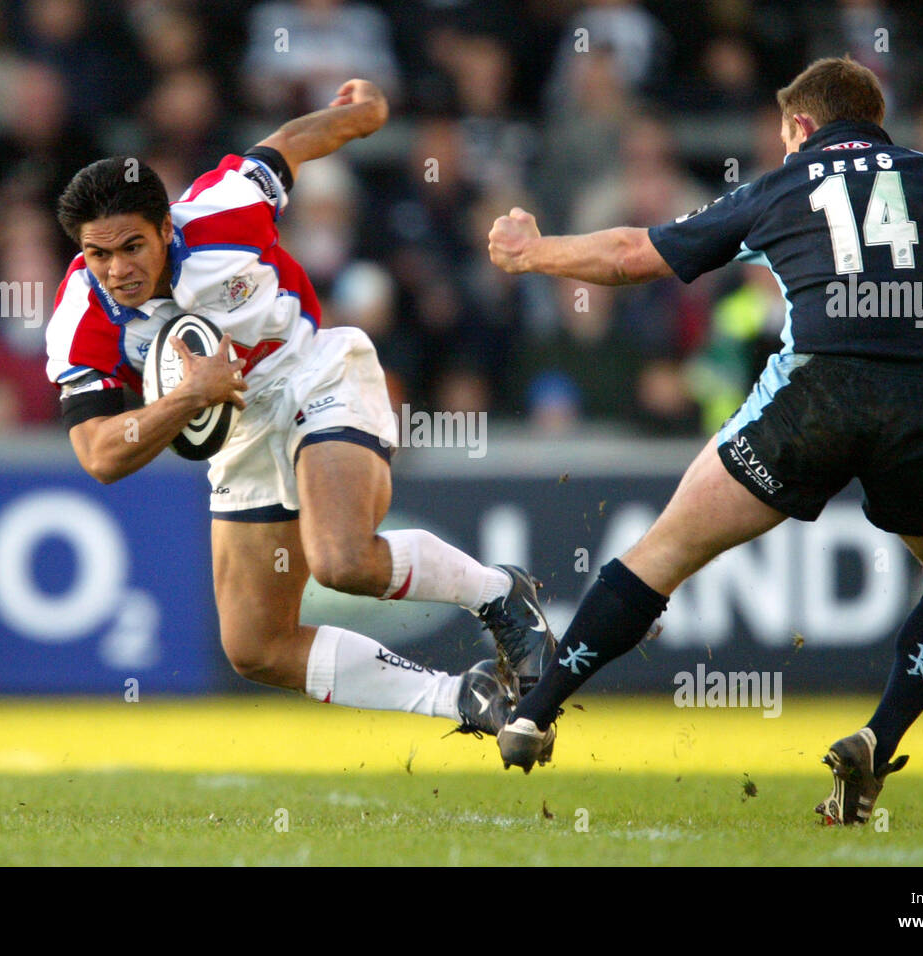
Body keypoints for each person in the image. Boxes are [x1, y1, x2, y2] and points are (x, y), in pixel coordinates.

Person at [487, 56, 923, 822]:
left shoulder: (780, 186)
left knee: (663, 551)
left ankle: (537, 709)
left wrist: (538, 253)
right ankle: (879, 735)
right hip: (920, 408)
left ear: (801, 126)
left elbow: (639, 254)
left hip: (812, 403)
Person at [45, 79, 554, 744]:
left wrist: (361, 114)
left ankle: (498, 594)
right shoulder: (81, 318)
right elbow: (98, 454)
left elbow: (289, 143)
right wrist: (187, 397)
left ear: (166, 227)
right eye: (97, 254)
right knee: (255, 645)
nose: (116, 270)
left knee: (343, 559)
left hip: (314, 372)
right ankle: (463, 696)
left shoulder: (225, 210)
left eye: (131, 247)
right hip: (240, 429)